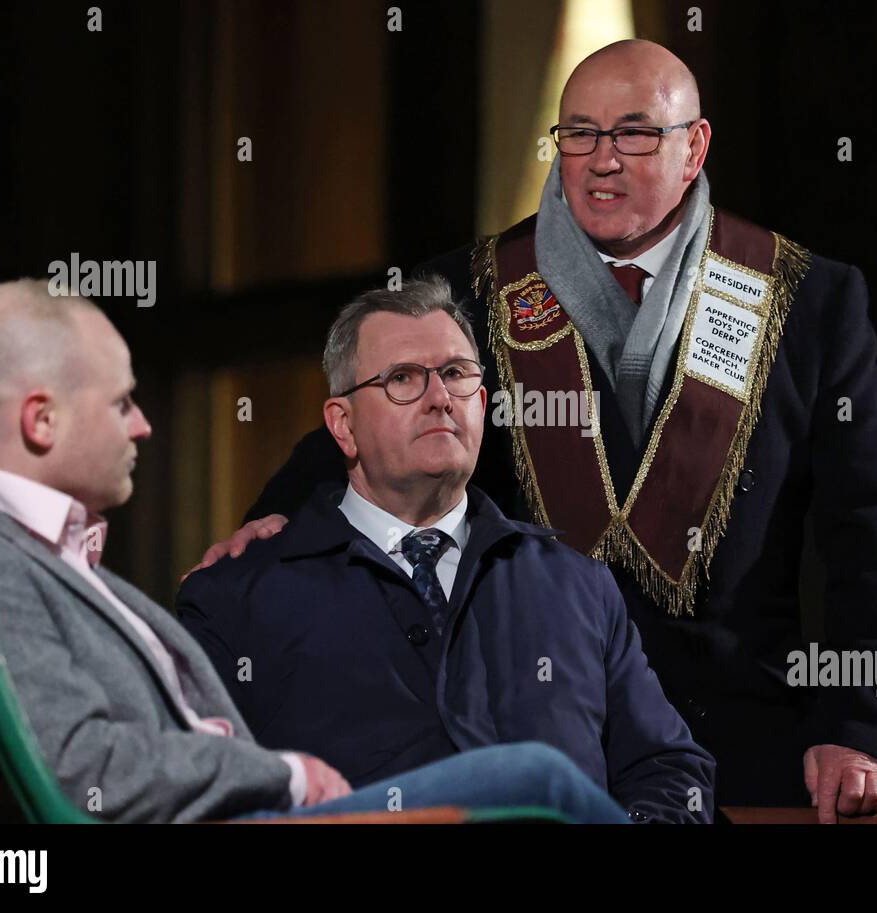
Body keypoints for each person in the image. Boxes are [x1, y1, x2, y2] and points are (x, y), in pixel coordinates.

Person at [195, 40, 877, 822]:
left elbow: (873, 530)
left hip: (740, 744)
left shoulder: (805, 300)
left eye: (635, 133)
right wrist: (270, 524)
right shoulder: (471, 289)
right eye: (579, 133)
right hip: (534, 728)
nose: (601, 160)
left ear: (695, 147)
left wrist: (858, 723)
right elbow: (380, 421)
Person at [0, 280, 631, 824]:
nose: (144, 425)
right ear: (41, 419)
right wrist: (285, 774)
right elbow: (84, 765)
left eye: (456, 375)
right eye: (122, 402)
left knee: (538, 780)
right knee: (540, 779)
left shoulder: (18, 549)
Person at [177, 278, 715, 824]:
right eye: (402, 379)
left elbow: (667, 771)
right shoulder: (236, 598)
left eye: (456, 374)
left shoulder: (578, 587)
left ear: (481, 404)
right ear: (344, 425)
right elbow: (192, 791)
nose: (439, 398)